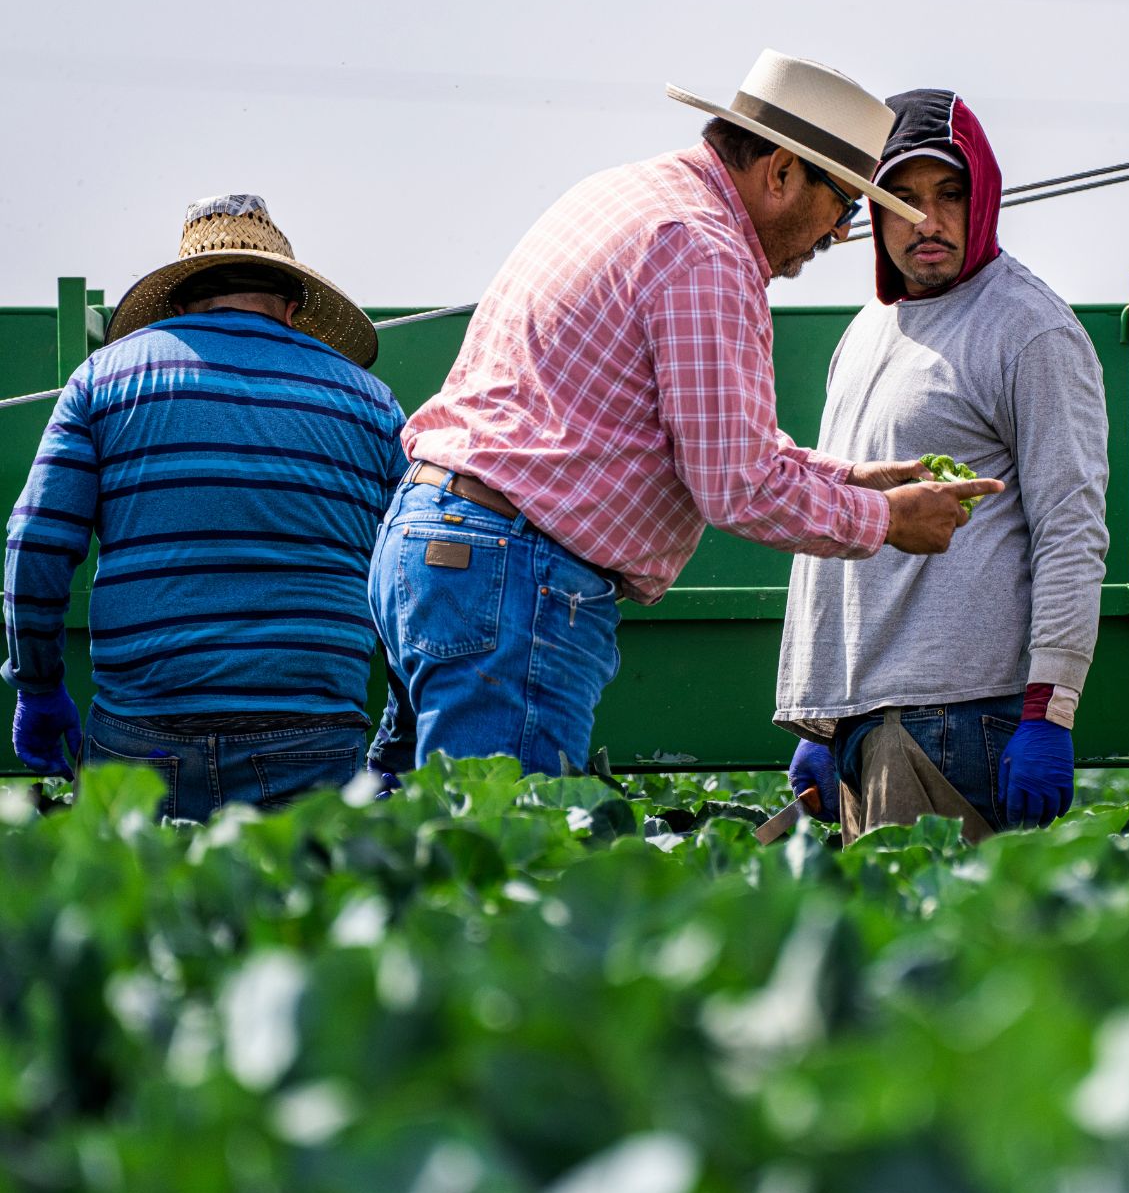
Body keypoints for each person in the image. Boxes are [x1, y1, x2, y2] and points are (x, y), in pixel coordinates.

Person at [374, 50, 999, 777]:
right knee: (503, 855)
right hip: (514, 574)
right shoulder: (707, 251)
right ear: (781, 172)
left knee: (413, 846)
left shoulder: (627, 194)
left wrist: (857, 478)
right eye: (844, 203)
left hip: (436, 542)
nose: (838, 233)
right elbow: (736, 485)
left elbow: (724, 446)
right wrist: (889, 521)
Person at [775, 89, 1110, 840]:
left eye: (950, 194)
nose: (927, 220)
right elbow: (840, 534)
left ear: (984, 195)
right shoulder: (865, 332)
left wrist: (1048, 711)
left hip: (960, 720)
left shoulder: (1029, 328)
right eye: (901, 196)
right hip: (870, 724)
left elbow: (1071, 529)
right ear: (870, 207)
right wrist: (825, 717)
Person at [4, 195, 407, 817]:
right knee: (307, 912)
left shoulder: (103, 380)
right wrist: (398, 722)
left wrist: (38, 685)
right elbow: (410, 578)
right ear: (294, 305)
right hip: (315, 731)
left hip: (141, 729)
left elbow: (36, 546)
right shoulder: (373, 404)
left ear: (182, 302)